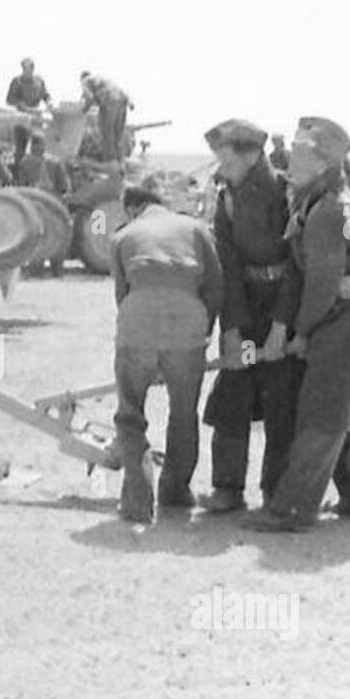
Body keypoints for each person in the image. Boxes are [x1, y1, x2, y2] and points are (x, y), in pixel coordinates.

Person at [248, 117, 350, 532]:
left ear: (320, 163)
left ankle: (293, 509)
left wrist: (301, 333)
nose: (287, 157)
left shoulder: (328, 209)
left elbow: (320, 285)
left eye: (297, 151)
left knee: (323, 413)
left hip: (342, 317)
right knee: (342, 408)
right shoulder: (326, 201)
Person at [198, 119, 301, 513]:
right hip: (246, 304)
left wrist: (280, 327)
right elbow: (227, 265)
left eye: (225, 159)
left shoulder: (286, 194)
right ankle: (227, 487)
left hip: (282, 304)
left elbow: (297, 269)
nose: (220, 167)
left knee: (281, 400)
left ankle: (276, 492)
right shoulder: (227, 198)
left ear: (252, 155)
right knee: (232, 393)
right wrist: (234, 329)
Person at [110, 185, 223, 523]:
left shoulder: (123, 235)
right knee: (184, 411)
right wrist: (204, 330)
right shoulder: (196, 228)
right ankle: (175, 491)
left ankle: (136, 500)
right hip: (187, 320)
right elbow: (216, 285)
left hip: (137, 319)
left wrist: (138, 337)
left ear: (132, 208)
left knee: (130, 413)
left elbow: (121, 293)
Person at [5, 57, 52, 169]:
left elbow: (45, 94)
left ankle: (37, 174)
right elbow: (10, 99)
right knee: (20, 148)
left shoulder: (39, 81)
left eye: (30, 68)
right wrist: (22, 106)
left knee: (38, 146)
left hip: (36, 117)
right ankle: (18, 176)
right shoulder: (17, 82)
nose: (27, 70)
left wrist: (49, 102)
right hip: (22, 117)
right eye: (25, 68)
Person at [79, 71, 133, 163]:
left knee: (107, 135)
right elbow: (122, 91)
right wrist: (130, 103)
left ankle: (110, 163)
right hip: (123, 103)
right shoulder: (104, 79)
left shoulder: (86, 81)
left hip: (109, 102)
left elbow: (89, 98)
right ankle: (120, 162)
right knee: (117, 137)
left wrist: (83, 110)